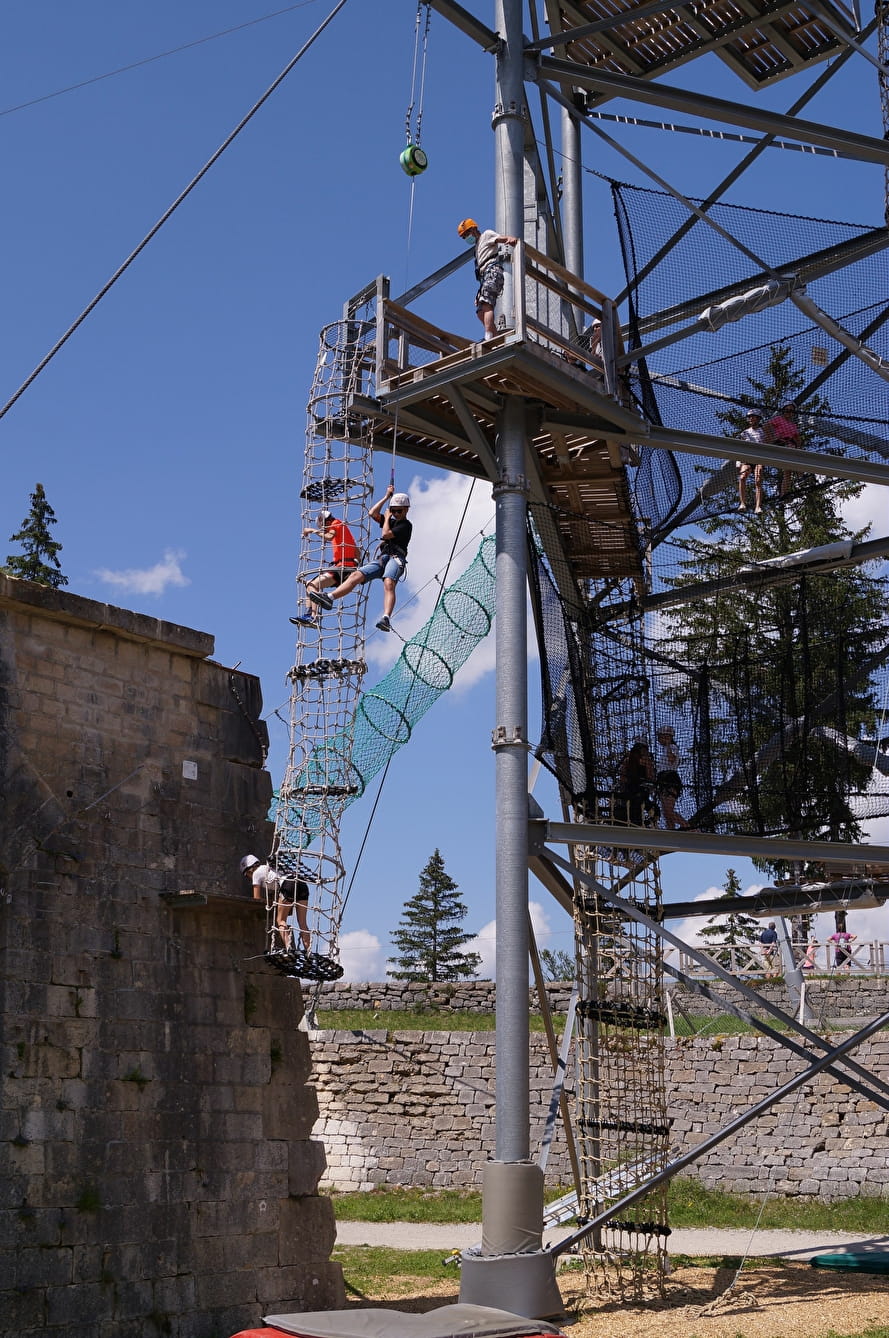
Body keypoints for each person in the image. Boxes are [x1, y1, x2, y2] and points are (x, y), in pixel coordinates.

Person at [309, 483, 412, 632]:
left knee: (389, 583)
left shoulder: (406, 525)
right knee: (355, 575)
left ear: (406, 509)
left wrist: (388, 516)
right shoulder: (392, 520)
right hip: (382, 559)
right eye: (394, 510)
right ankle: (329, 597)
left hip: (396, 559)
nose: (396, 513)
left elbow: (385, 535)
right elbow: (372, 513)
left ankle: (386, 618)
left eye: (399, 511)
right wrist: (386, 497)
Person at [290, 510, 359, 627]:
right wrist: (356, 565)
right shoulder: (342, 529)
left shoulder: (336, 523)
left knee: (313, 585)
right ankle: (309, 615)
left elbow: (329, 536)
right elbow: (357, 551)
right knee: (310, 585)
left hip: (343, 567)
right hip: (345, 567)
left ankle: (313, 617)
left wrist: (313, 530)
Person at [457, 218, 518, 341]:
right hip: (485, 277)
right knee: (480, 312)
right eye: (464, 237)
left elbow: (500, 239)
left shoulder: (486, 235)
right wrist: (479, 292)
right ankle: (495, 337)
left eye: (467, 234)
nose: (467, 238)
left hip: (493, 271)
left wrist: (509, 239)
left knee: (486, 305)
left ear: (474, 229)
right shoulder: (477, 248)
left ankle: (489, 336)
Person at [240, 854, 311, 954]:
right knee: (303, 923)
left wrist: (269, 904)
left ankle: (289, 948)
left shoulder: (256, 874)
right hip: (301, 883)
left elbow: (256, 899)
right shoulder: (269, 868)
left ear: (249, 870)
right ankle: (309, 952)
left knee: (280, 920)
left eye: (246, 875)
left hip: (288, 884)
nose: (248, 877)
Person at [655, 724, 691, 830]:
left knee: (668, 810)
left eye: (662, 737)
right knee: (666, 813)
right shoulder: (665, 750)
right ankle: (671, 829)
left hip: (669, 779)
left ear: (668, 737)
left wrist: (668, 745)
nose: (659, 739)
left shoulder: (672, 747)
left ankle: (688, 826)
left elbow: (671, 760)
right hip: (663, 781)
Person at [613, 740, 656, 826]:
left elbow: (622, 777)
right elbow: (650, 776)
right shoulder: (645, 760)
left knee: (630, 809)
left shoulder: (628, 759)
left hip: (629, 789)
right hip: (639, 789)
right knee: (637, 810)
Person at [767, 401, 801, 498]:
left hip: (790, 445)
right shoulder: (778, 419)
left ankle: (783, 494)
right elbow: (767, 426)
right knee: (793, 452)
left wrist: (798, 446)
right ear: (783, 411)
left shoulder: (793, 425)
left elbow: (797, 438)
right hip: (781, 443)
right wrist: (771, 438)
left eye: (791, 411)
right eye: (787, 410)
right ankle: (800, 475)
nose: (789, 413)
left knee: (787, 472)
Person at [736, 408, 767, 514]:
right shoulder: (745, 433)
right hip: (747, 459)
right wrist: (738, 461)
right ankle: (742, 503)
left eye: (753, 417)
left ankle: (758, 506)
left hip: (759, 459)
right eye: (749, 417)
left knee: (758, 480)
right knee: (742, 477)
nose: (750, 419)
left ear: (758, 419)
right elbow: (740, 447)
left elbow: (766, 445)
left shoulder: (763, 432)